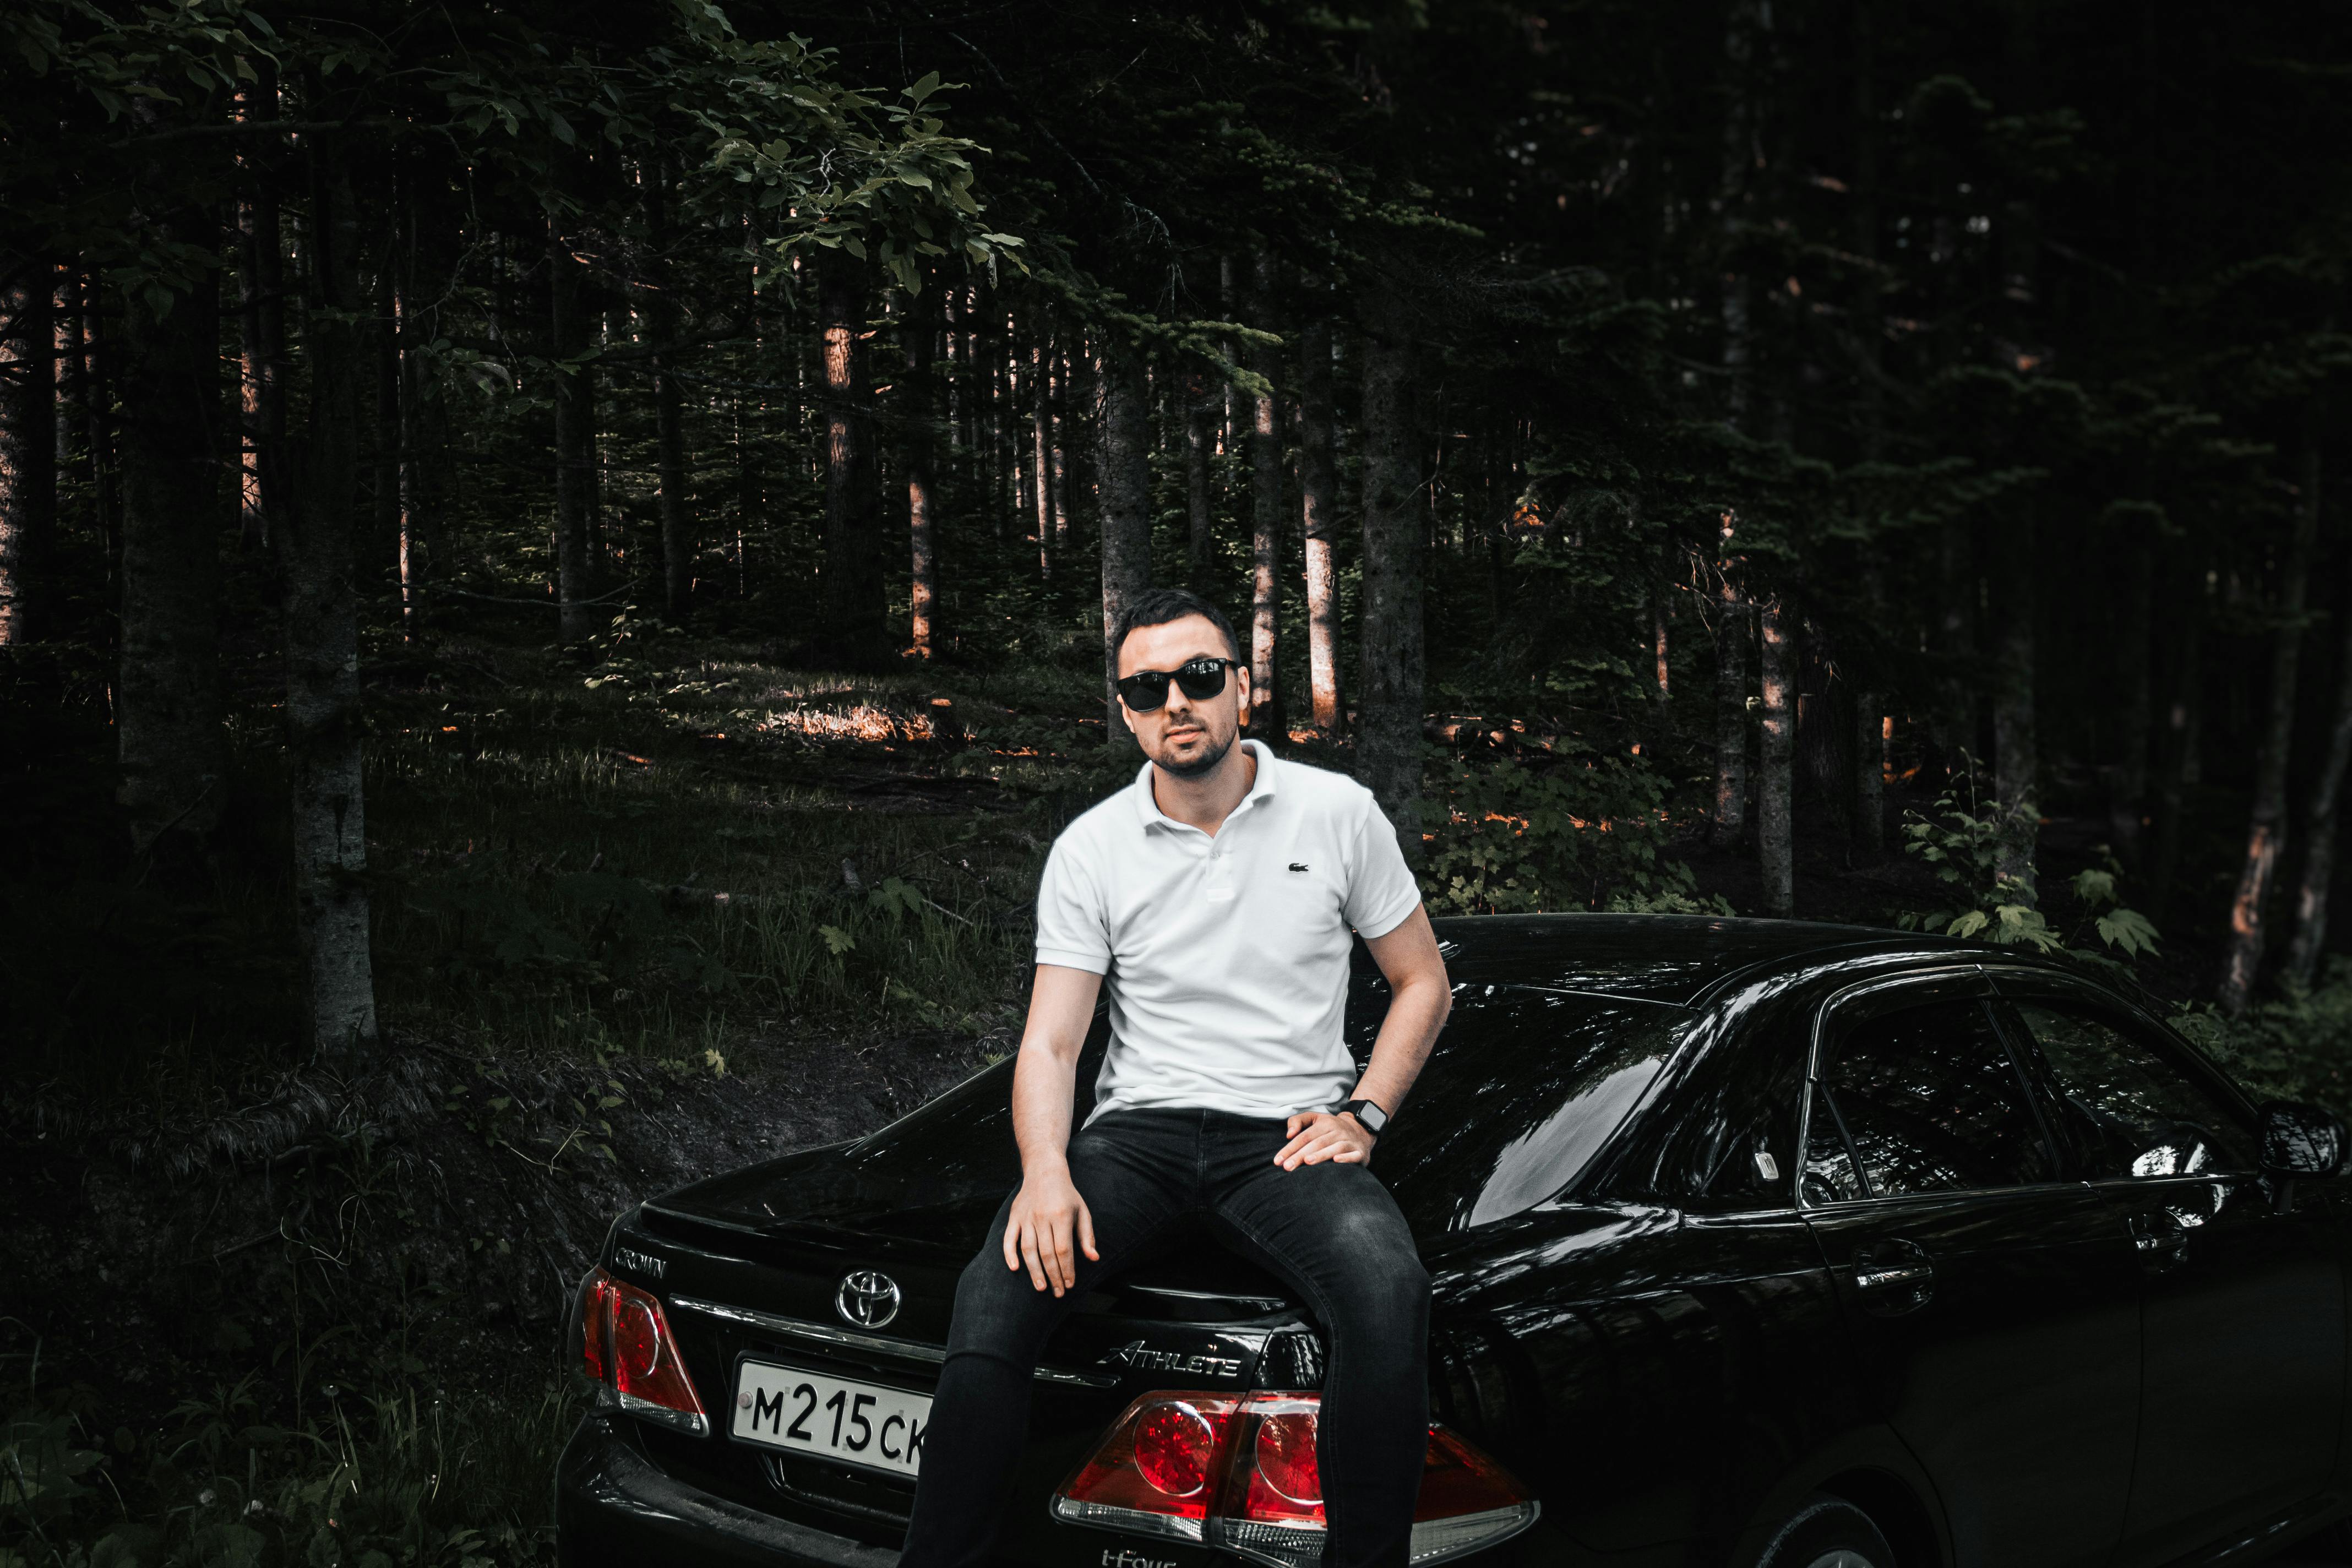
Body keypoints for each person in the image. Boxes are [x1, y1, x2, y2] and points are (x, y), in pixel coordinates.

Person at [898, 587, 1454, 1568]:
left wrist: (1364, 1114)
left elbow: (1422, 982)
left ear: (1241, 685)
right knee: (996, 1292)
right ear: (1124, 708)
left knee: (1387, 1290)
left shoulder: (1338, 815)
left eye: (1199, 678)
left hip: (1284, 1141)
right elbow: (1053, 1044)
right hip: (1137, 1142)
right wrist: (1044, 1171)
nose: (1176, 703)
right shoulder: (1091, 849)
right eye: (1147, 687)